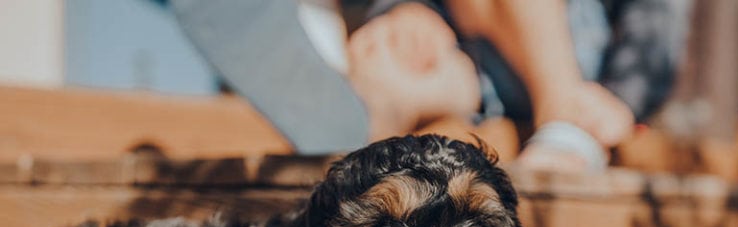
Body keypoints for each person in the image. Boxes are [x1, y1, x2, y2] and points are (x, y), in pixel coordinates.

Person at [170, 0, 688, 171]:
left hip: (564, 56)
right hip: (467, 57)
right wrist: (396, 10)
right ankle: (364, 196)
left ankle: (565, 124)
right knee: (384, 69)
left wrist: (623, 95)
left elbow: (656, 17)